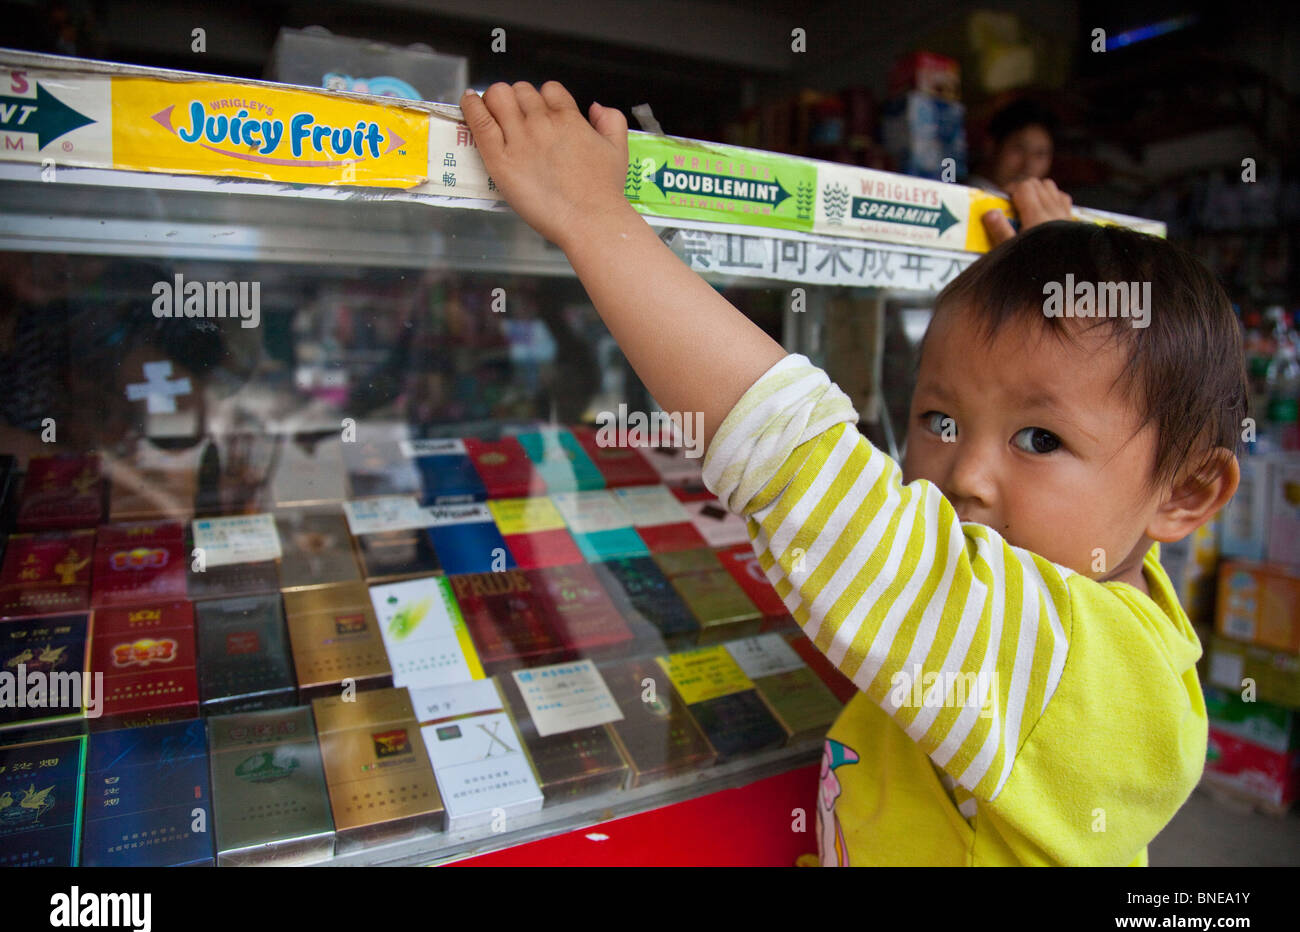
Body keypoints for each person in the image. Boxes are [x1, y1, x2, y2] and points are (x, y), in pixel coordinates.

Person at [461, 81, 1243, 865]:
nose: (960, 474)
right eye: (940, 421)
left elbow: (803, 469)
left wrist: (595, 222)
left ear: (1186, 493)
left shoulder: (1081, 674)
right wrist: (1059, 274)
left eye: (1039, 439)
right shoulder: (1115, 584)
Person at [969, 98, 1073, 247]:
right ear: (990, 147)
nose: (1028, 165)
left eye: (1040, 154)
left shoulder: (1049, 213)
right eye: (1019, 149)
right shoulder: (965, 190)